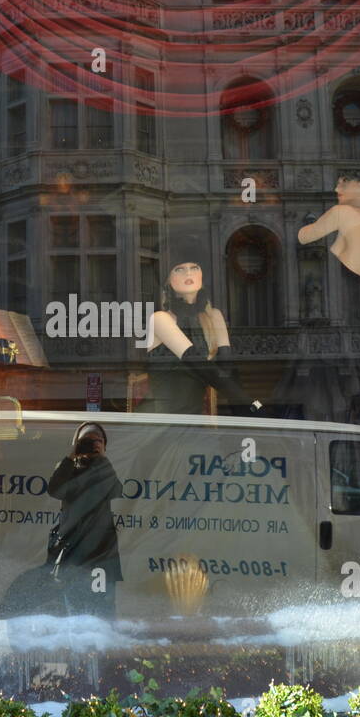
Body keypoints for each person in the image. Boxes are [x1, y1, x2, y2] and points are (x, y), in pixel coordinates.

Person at [143, 240, 264, 415]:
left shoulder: (213, 317)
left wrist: (245, 418)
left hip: (197, 423)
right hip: (165, 425)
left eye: (194, 267)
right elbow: (201, 366)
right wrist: (253, 405)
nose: (188, 273)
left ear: (202, 275)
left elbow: (229, 373)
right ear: (168, 280)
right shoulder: (160, 319)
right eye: (179, 269)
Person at [44, 422, 124, 619]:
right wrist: (72, 456)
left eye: (98, 441)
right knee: (72, 607)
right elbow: (55, 490)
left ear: (105, 445)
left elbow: (116, 490)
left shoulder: (104, 467)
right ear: (76, 444)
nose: (93, 444)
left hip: (100, 549)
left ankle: (104, 646)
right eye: (87, 441)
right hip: (72, 547)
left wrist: (101, 459)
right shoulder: (68, 468)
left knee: (103, 609)